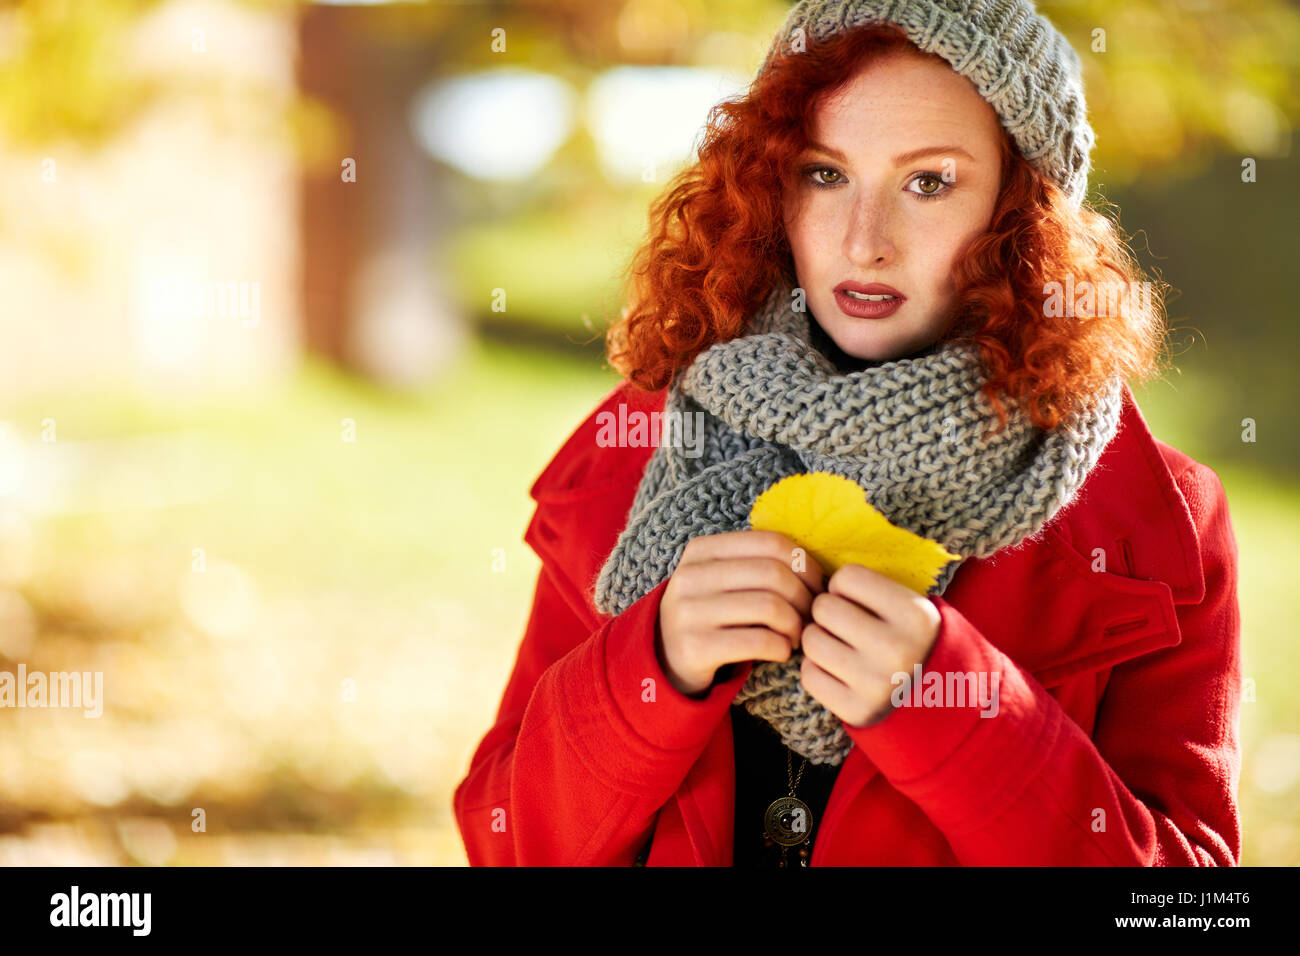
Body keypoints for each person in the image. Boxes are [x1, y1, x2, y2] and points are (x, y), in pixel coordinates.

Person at [453, 0, 1242, 866]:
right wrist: (651, 669)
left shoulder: (1152, 518)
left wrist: (960, 712)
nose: (865, 243)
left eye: (929, 182)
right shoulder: (638, 444)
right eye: (824, 174)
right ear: (768, 187)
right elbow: (505, 840)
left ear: (1024, 217)